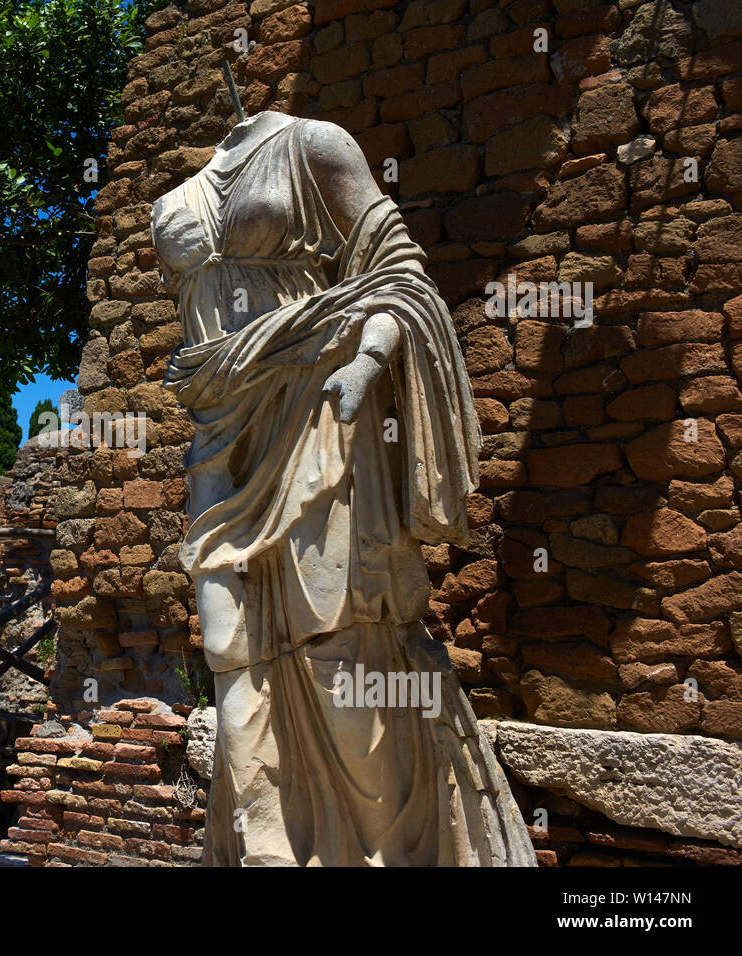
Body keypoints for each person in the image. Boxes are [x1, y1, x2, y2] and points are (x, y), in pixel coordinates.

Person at [151, 111, 536, 866]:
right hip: (223, 433)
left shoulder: (312, 145)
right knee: (231, 649)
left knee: (339, 651)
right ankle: (268, 851)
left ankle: (393, 852)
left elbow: (398, 274)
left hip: (321, 406)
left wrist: (368, 363)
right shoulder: (173, 200)